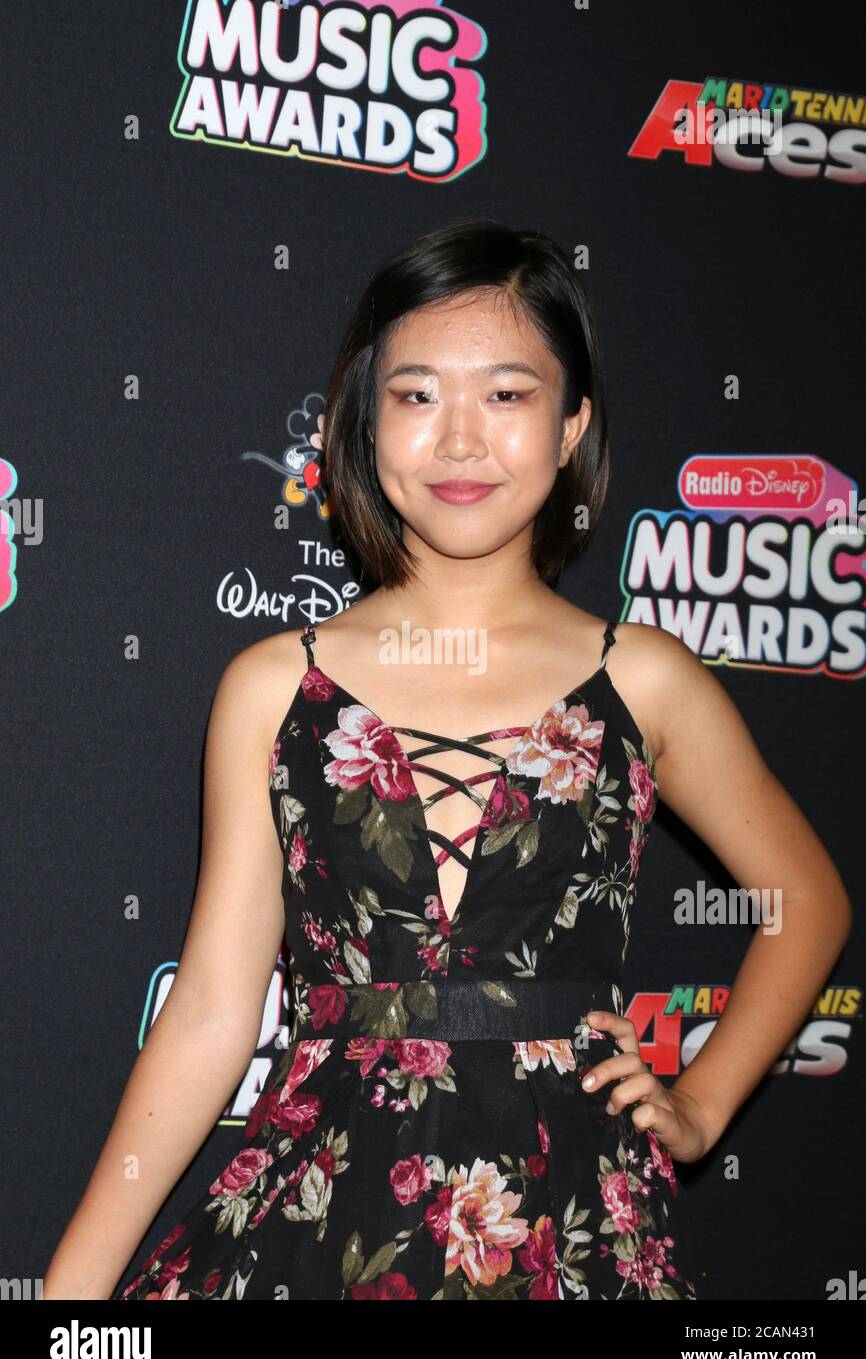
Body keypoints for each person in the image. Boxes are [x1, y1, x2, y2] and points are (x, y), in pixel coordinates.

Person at [42, 218, 852, 1301]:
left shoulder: (645, 681)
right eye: (416, 394)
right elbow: (210, 1013)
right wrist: (70, 1301)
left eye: (507, 396)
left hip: (572, 1234)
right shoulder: (273, 686)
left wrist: (699, 1105)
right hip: (319, 1221)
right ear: (361, 423)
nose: (460, 440)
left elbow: (803, 897)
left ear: (572, 425)